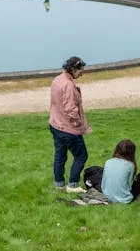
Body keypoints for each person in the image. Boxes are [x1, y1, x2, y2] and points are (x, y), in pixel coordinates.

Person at [49, 56, 90, 193]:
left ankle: (59, 184)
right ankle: (73, 185)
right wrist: (78, 125)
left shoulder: (57, 80)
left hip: (55, 125)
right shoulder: (68, 85)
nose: (82, 73)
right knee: (81, 156)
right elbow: (71, 110)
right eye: (80, 70)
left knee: (60, 155)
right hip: (68, 129)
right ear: (72, 69)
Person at [101, 139, 140, 204]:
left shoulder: (108, 161)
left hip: (106, 196)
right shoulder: (130, 165)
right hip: (123, 200)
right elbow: (128, 187)